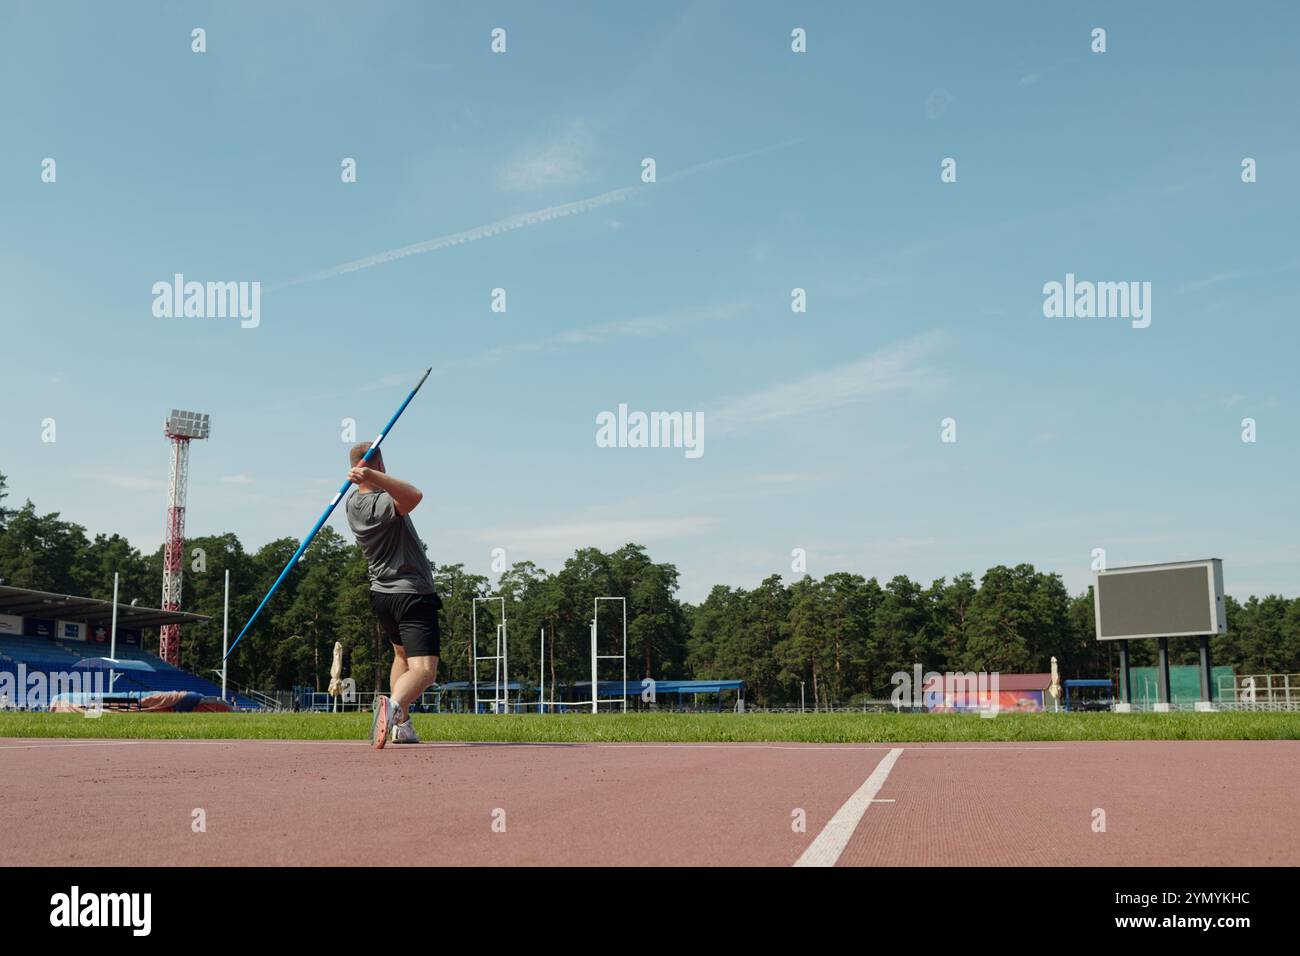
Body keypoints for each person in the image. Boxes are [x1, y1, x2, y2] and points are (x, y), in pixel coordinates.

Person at [344, 442, 442, 748]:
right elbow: (414, 495)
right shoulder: (380, 504)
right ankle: (394, 705)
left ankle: (403, 725)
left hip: (382, 595)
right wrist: (375, 475)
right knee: (425, 671)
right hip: (411, 592)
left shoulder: (351, 504)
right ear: (377, 467)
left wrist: (369, 476)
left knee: (400, 655)